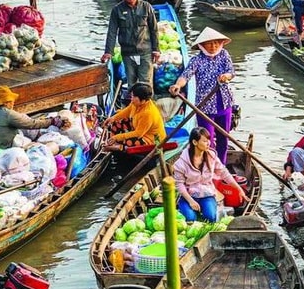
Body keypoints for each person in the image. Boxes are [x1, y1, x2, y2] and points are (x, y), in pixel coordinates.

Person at [169, 28, 236, 162]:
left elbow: (231, 71)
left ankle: (221, 166)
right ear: (202, 45)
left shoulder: (224, 54)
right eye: (209, 43)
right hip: (205, 106)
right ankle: (209, 167)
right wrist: (178, 85)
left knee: (224, 138)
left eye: (216, 43)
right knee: (206, 141)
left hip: (224, 102)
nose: (213, 46)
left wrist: (226, 76)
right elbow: (185, 75)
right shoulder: (196, 60)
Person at [172, 127, 247, 222]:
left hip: (206, 194)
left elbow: (224, 173)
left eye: (208, 140)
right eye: (204, 141)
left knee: (210, 217)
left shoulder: (211, 156)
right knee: (190, 219)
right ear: (195, 142)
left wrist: (239, 189)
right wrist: (191, 202)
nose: (208, 143)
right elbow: (179, 184)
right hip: (188, 196)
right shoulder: (181, 163)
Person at [102, 0, 159, 91]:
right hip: (127, 53)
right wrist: (108, 52)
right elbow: (112, 32)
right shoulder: (117, 10)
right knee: (131, 84)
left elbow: (154, 30)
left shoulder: (146, 7)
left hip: (145, 52)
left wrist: (156, 49)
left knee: (146, 84)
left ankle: (147, 106)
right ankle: (133, 106)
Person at [0, 87, 63, 155]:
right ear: (6, 102)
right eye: (11, 101)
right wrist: (52, 121)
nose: (13, 103)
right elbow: (32, 124)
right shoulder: (8, 114)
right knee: (28, 147)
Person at [105, 83, 165, 150]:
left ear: (143, 101)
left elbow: (138, 134)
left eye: (133, 97)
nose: (131, 99)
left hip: (149, 139)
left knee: (129, 142)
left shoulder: (148, 113)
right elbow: (128, 110)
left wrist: (118, 137)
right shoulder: (135, 103)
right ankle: (111, 142)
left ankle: (119, 147)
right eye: (132, 96)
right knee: (117, 121)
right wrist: (113, 118)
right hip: (136, 127)